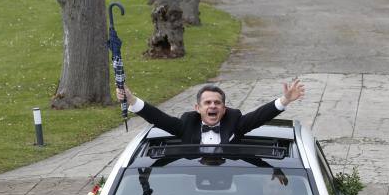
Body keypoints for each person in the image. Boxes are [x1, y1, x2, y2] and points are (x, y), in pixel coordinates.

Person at [116, 79, 305, 144]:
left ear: (224, 109)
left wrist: (285, 100)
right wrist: (131, 100)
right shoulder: (187, 124)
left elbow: (259, 117)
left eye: (217, 103)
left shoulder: (235, 122)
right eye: (207, 103)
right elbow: (159, 118)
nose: (212, 106)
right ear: (197, 108)